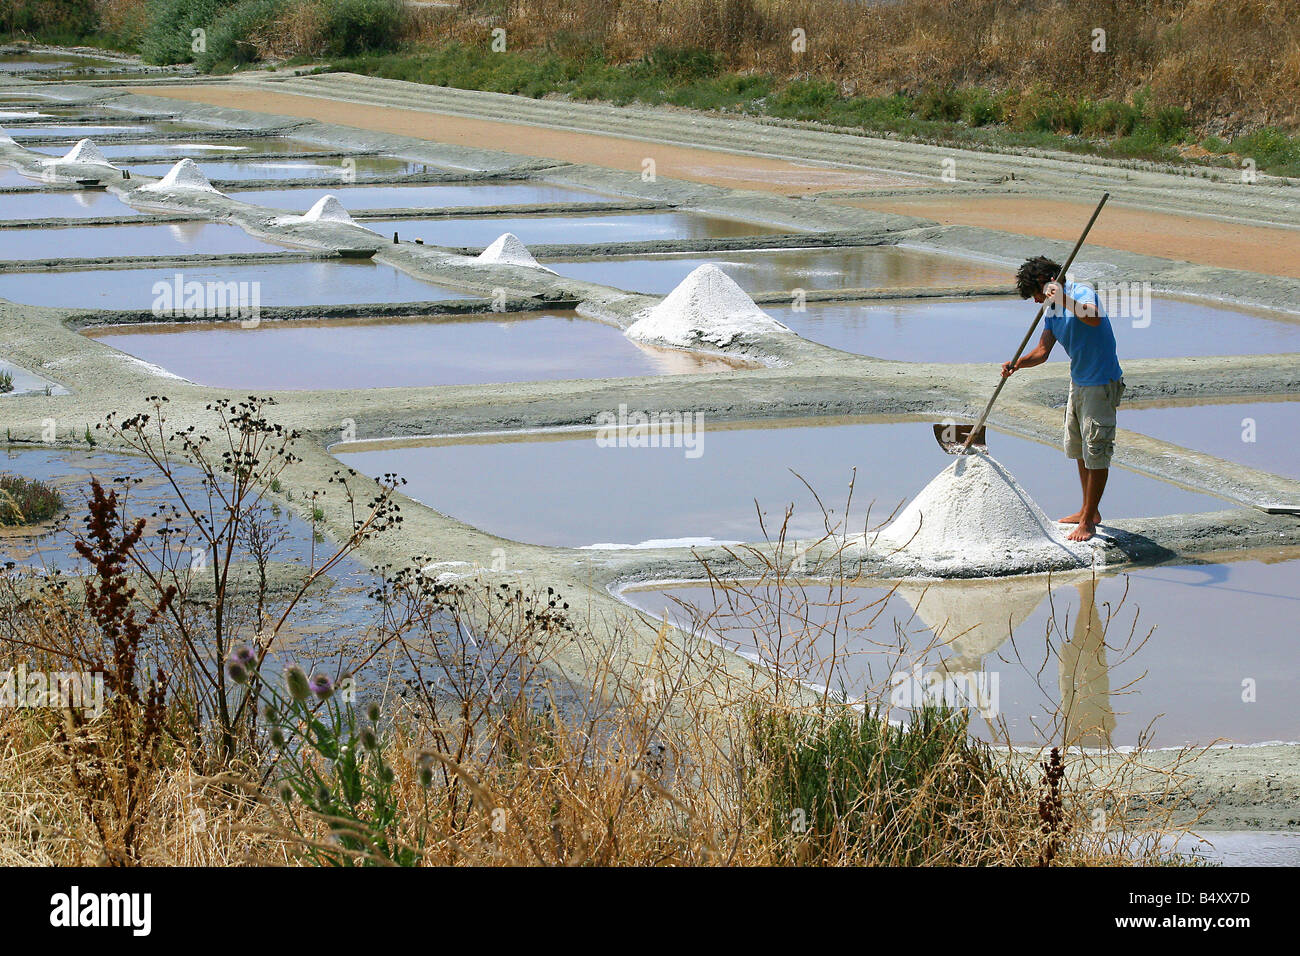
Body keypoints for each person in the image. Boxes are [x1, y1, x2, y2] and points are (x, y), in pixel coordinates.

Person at [1000, 255, 1124, 542]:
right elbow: (1042, 352)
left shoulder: (1081, 293)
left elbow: (1092, 318)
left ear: (1048, 284)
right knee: (1080, 448)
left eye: (1035, 294)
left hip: (1101, 383)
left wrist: (1063, 298)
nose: (1035, 302)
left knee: (1097, 449)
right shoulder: (1052, 311)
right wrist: (1017, 363)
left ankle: (1089, 521)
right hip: (1079, 382)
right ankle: (1088, 511)